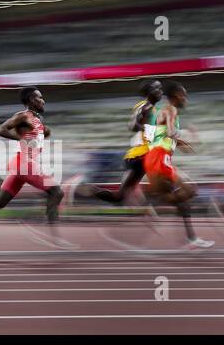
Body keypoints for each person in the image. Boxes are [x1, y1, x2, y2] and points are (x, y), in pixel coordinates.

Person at [0, 87, 73, 249]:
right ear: (31, 100)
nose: (43, 100)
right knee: (57, 192)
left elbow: (37, 134)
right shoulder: (22, 115)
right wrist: (20, 139)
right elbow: (1, 130)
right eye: (40, 97)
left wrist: (44, 132)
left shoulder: (36, 119)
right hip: (24, 163)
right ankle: (54, 237)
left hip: (20, 165)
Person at [141, 82, 213, 250]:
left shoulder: (163, 113)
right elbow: (172, 133)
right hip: (159, 158)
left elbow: (163, 137)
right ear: (176, 96)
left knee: (181, 201)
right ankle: (151, 204)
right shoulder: (170, 110)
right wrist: (190, 134)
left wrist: (185, 145)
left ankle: (191, 239)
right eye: (184, 95)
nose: (186, 99)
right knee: (190, 190)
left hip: (156, 158)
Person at [80, 81, 161, 206]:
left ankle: (91, 189)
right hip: (140, 157)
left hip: (143, 156)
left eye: (161, 88)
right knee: (164, 184)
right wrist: (149, 130)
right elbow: (132, 125)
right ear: (149, 92)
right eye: (157, 88)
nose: (161, 91)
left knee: (119, 197)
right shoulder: (146, 106)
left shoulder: (154, 109)